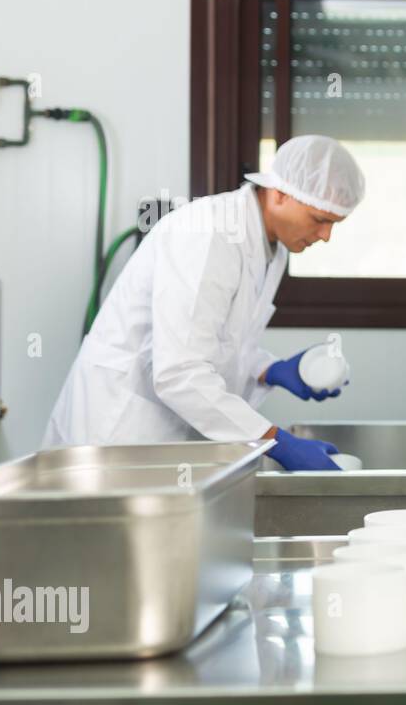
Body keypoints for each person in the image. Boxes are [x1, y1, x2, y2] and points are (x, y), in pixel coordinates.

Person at [42, 135, 365, 471]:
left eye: (334, 224)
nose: (326, 236)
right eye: (319, 219)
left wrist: (269, 370)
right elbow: (179, 371)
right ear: (280, 193)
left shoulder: (274, 247)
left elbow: (217, 338)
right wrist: (274, 440)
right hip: (116, 429)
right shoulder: (209, 234)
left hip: (160, 434)